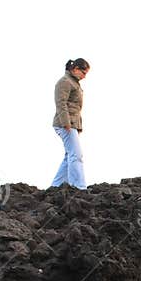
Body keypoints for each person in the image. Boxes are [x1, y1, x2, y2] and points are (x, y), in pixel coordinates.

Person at [50, 58, 90, 189]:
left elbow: (75, 107)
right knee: (76, 155)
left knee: (69, 155)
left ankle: (55, 186)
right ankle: (78, 186)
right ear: (76, 69)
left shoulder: (74, 82)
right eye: (83, 73)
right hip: (65, 124)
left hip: (72, 124)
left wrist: (78, 126)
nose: (85, 77)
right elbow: (61, 103)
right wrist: (66, 124)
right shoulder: (65, 82)